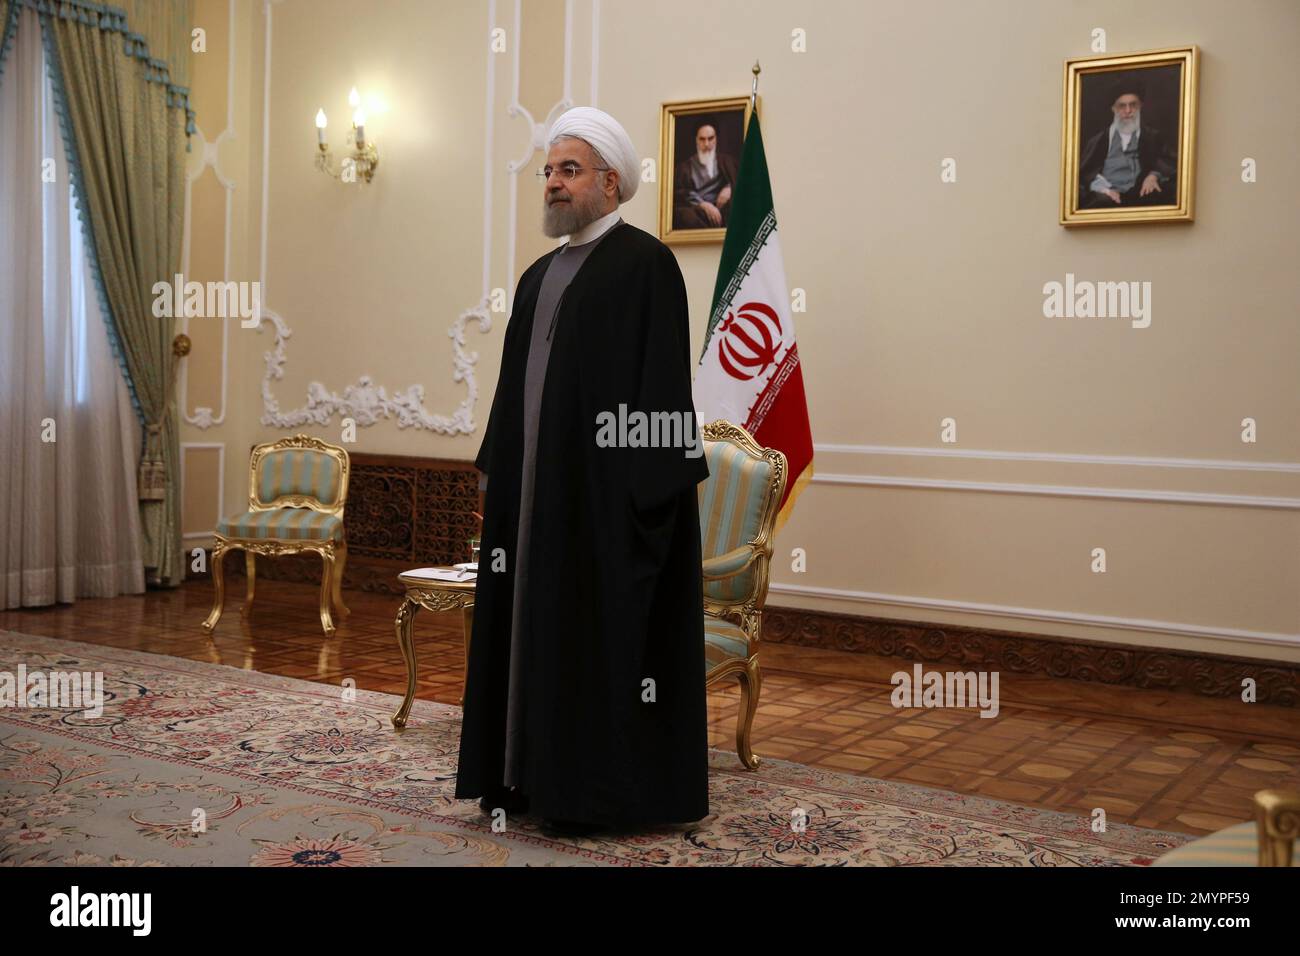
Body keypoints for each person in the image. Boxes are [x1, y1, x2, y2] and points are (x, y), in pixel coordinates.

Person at [454, 106, 711, 837]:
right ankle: (520, 777)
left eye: (569, 171)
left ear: (611, 182)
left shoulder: (646, 265)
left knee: (592, 644)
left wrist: (641, 507)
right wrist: (493, 474)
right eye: (548, 172)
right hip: (529, 503)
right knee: (523, 635)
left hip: (604, 509)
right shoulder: (537, 277)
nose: (554, 184)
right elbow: (513, 391)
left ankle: (589, 794)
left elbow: (663, 391)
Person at [1078, 78, 1178, 209]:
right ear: (1113, 109)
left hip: (1141, 193)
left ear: (1140, 107)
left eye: (1133, 105)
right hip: (1108, 195)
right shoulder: (1099, 140)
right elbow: (1085, 173)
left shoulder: (1153, 137)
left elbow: (1169, 160)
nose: (1128, 110)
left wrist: (1153, 175)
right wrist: (1104, 190)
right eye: (1122, 106)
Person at [673, 122, 739, 228]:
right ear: (696, 140)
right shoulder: (684, 168)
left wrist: (729, 188)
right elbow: (680, 192)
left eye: (710, 138)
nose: (707, 144)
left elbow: (741, 181)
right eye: (702, 139)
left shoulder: (728, 162)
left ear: (716, 139)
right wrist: (703, 204)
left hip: (723, 209)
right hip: (697, 210)